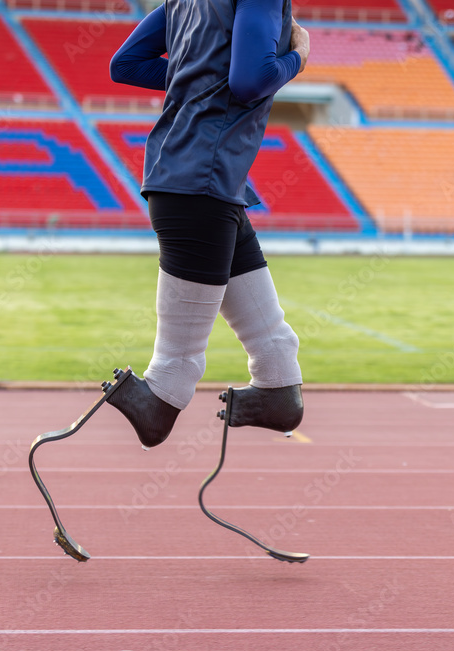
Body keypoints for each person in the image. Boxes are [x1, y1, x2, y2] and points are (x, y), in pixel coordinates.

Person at [106, 0, 310, 448]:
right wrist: (298, 56)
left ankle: (279, 391)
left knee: (271, 343)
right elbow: (250, 79)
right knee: (174, 367)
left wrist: (197, 77)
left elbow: (125, 65)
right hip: (203, 180)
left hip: (194, 181)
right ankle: (162, 399)